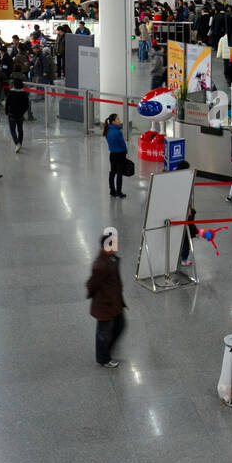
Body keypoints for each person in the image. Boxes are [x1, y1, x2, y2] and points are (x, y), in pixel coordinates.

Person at [87, 231, 126, 368]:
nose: (117, 246)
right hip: (105, 304)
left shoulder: (112, 258)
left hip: (115, 301)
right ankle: (103, 358)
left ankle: (106, 350)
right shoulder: (100, 265)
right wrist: (98, 297)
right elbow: (91, 284)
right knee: (103, 332)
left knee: (120, 325)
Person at [104, 113, 128, 198]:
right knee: (119, 174)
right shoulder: (118, 132)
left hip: (112, 154)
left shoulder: (107, 130)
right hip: (120, 154)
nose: (119, 120)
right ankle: (119, 192)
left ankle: (112, 191)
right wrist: (126, 151)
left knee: (112, 172)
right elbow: (122, 144)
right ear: (113, 121)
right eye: (117, 119)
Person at [5, 79, 30, 153]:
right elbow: (26, 105)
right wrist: (23, 112)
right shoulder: (24, 93)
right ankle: (20, 143)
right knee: (20, 130)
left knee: (12, 130)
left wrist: (6, 111)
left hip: (12, 114)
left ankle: (17, 143)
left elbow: (7, 103)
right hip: (20, 115)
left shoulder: (11, 92)